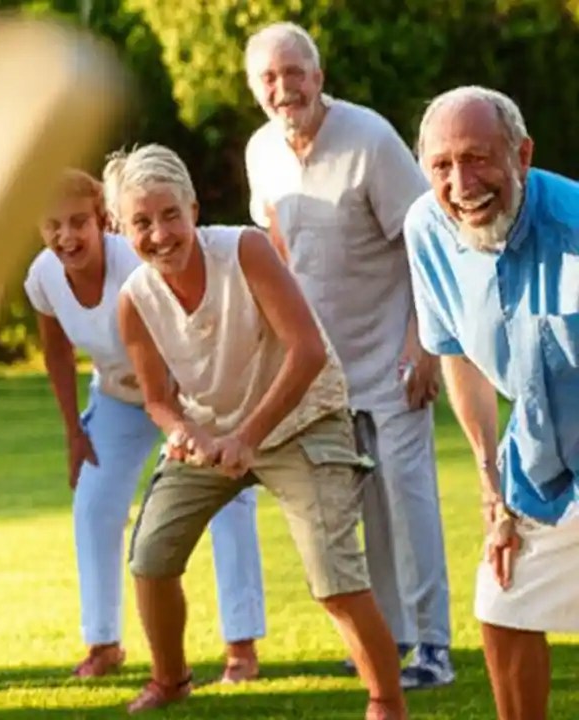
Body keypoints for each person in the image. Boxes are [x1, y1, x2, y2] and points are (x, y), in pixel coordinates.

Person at [106, 144, 406, 719]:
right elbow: (155, 400)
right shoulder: (134, 301)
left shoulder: (245, 249)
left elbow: (308, 351)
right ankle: (170, 680)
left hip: (302, 419)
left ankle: (386, 701)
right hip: (215, 434)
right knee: (150, 556)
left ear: (193, 209)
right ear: (121, 229)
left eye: (170, 214)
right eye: (141, 222)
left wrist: (246, 436)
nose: (160, 233)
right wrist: (186, 431)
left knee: (333, 576)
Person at [242, 21, 454, 688]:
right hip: (321, 370)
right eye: (268, 78)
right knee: (359, 509)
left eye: (294, 72)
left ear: (319, 74)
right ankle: (386, 640)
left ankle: (434, 648)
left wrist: (425, 346)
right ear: (255, 90)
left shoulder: (370, 139)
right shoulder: (260, 151)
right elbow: (276, 250)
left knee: (408, 496)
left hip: (393, 354)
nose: (284, 88)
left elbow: (426, 242)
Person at [25, 168, 266, 681]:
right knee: (93, 504)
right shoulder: (43, 276)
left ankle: (241, 645)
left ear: (103, 222)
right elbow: (55, 351)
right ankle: (103, 643)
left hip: (187, 391)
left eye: (77, 223)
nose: (66, 237)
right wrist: (73, 430)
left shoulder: (134, 256)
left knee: (227, 496)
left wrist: (189, 421)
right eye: (53, 226)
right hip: (116, 397)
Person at [404, 85, 579, 720]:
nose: (461, 183)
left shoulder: (575, 228)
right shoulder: (426, 229)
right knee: (503, 606)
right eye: (442, 165)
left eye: (478, 159)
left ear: (522, 155)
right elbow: (453, 351)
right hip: (538, 457)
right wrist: (490, 485)